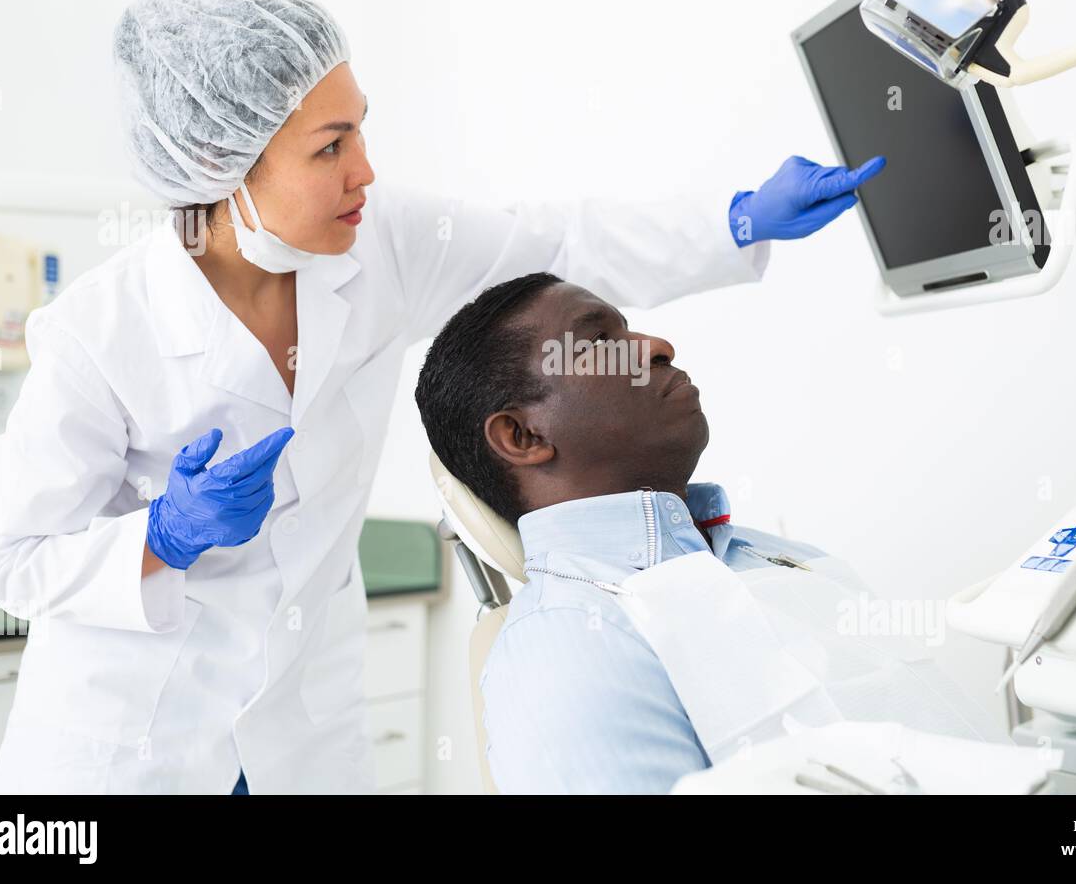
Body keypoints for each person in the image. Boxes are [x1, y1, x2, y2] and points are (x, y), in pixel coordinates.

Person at [0, 0, 882, 794]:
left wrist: (738, 219)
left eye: (362, 128)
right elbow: (10, 557)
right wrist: (161, 538)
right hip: (132, 738)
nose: (366, 170)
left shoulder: (379, 239)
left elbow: (550, 248)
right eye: (330, 147)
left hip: (301, 729)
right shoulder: (101, 331)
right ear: (222, 167)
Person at [415, 273, 1004, 793]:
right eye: (600, 343)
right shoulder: (567, 643)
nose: (656, 346)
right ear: (522, 436)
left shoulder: (769, 556)